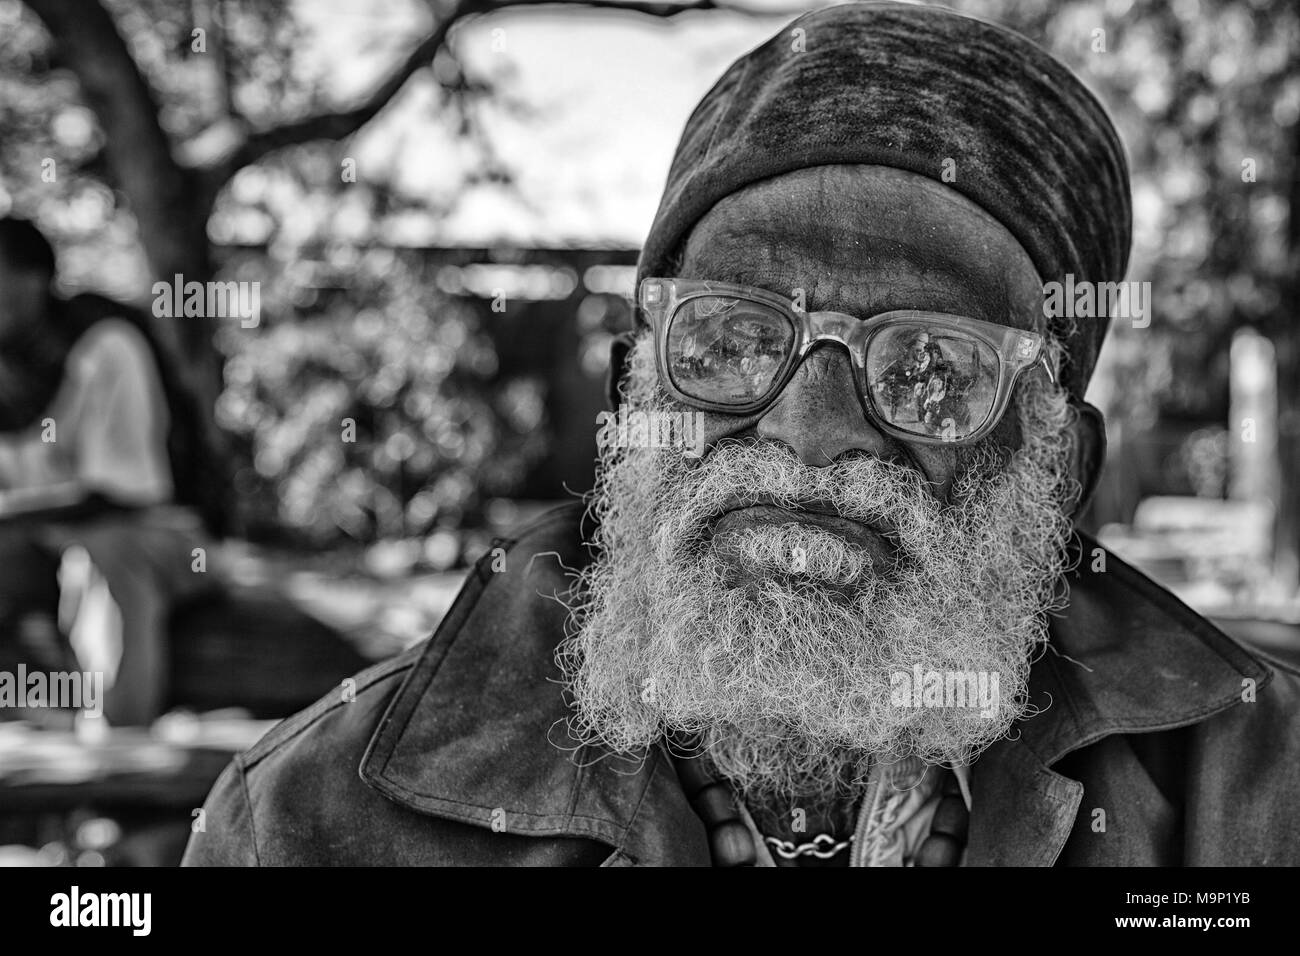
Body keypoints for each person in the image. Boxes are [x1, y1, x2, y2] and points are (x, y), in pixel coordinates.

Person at [185, 3, 1300, 866]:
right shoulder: (309, 818)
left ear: (1056, 470)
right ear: (633, 394)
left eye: (927, 367)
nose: (808, 434)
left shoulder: (1257, 789)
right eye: (727, 343)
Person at [0, 217, 214, 725]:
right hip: (42, 550)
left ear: (32, 281)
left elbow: (121, 494)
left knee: (102, 554)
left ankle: (117, 743)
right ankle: (38, 712)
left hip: (160, 537)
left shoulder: (106, 346)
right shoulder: (8, 369)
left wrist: (10, 519)